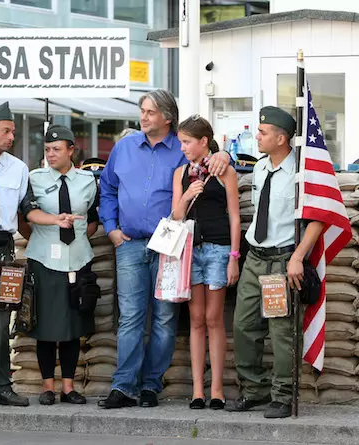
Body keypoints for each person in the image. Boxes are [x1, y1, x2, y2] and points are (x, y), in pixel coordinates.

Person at [97, 89, 231, 409]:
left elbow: (209, 158)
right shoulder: (124, 147)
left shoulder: (180, 150)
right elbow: (107, 189)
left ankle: (150, 386)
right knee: (130, 316)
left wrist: (224, 154)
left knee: (164, 318)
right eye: (142, 111)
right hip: (129, 244)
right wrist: (112, 229)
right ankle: (124, 386)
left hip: (171, 246)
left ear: (167, 118)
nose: (143, 116)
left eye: (150, 112)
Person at [0, 102, 79, 409]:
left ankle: (0, 387)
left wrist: (54, 221)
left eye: (12, 131)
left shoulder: (19, 168)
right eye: (5, 130)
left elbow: (28, 210)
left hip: (1, 249)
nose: (11, 136)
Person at [228, 106, 324, 419]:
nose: (257, 136)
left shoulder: (301, 174)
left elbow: (318, 220)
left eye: (263, 132)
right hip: (255, 257)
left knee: (282, 332)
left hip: (282, 260)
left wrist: (298, 257)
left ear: (281, 138)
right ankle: (254, 390)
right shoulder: (259, 168)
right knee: (244, 326)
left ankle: (282, 396)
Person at [18, 125, 98, 405]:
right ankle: (47, 387)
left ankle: (68, 386)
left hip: (77, 259)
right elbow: (27, 214)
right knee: (46, 328)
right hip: (44, 260)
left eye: (57, 149)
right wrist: (50, 228)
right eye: (47, 150)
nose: (51, 154)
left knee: (72, 327)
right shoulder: (35, 179)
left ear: (71, 151)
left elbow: (92, 219)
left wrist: (77, 239)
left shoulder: (87, 180)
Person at [171, 115, 241, 410]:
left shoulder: (224, 171)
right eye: (181, 142)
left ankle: (217, 389)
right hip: (190, 250)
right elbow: (176, 216)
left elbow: (235, 216)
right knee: (196, 319)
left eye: (187, 142)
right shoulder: (181, 173)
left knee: (214, 318)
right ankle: (198, 390)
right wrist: (187, 195)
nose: (183, 147)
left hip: (218, 248)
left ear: (202, 141)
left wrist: (234, 257)